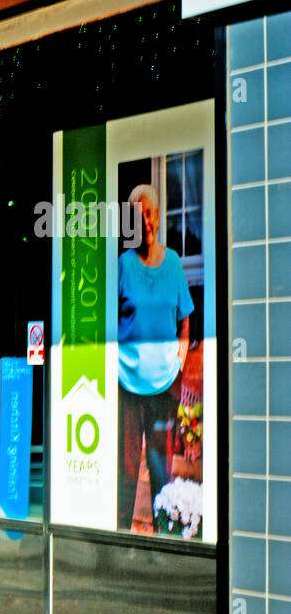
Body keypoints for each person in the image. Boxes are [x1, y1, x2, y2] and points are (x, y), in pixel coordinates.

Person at [117, 183, 193, 531]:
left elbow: (185, 321)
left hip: (164, 384)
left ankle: (164, 532)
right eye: (137, 215)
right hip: (128, 384)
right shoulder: (123, 265)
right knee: (128, 466)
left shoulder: (174, 263)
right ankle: (120, 533)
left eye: (149, 213)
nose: (144, 221)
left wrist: (180, 356)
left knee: (161, 464)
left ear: (158, 218)